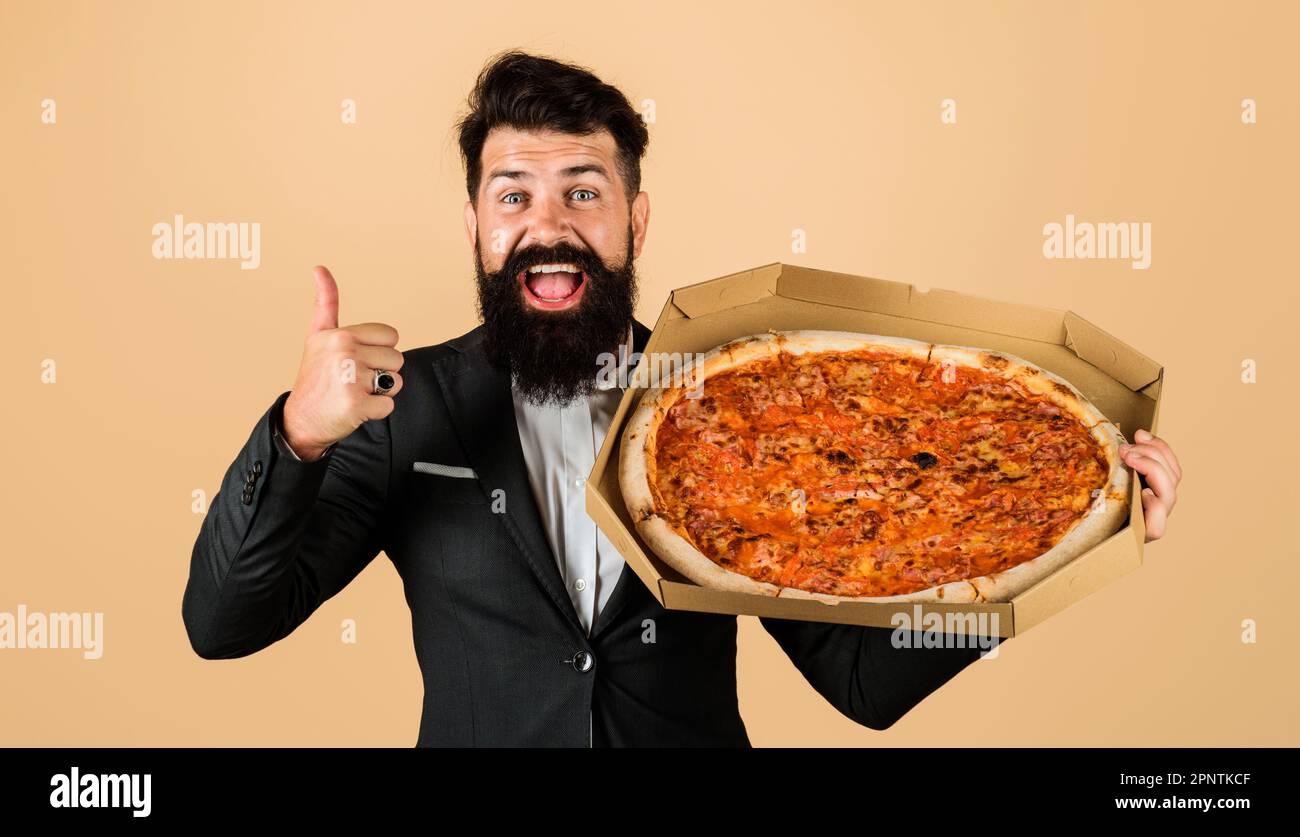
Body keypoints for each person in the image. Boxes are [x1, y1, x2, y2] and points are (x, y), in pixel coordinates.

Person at [181, 50, 1182, 746]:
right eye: (512, 193)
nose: (547, 223)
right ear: (475, 224)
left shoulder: (737, 402)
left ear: (635, 218)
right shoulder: (405, 410)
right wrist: (297, 436)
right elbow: (223, 624)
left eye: (583, 189)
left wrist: (1061, 551)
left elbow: (863, 687)